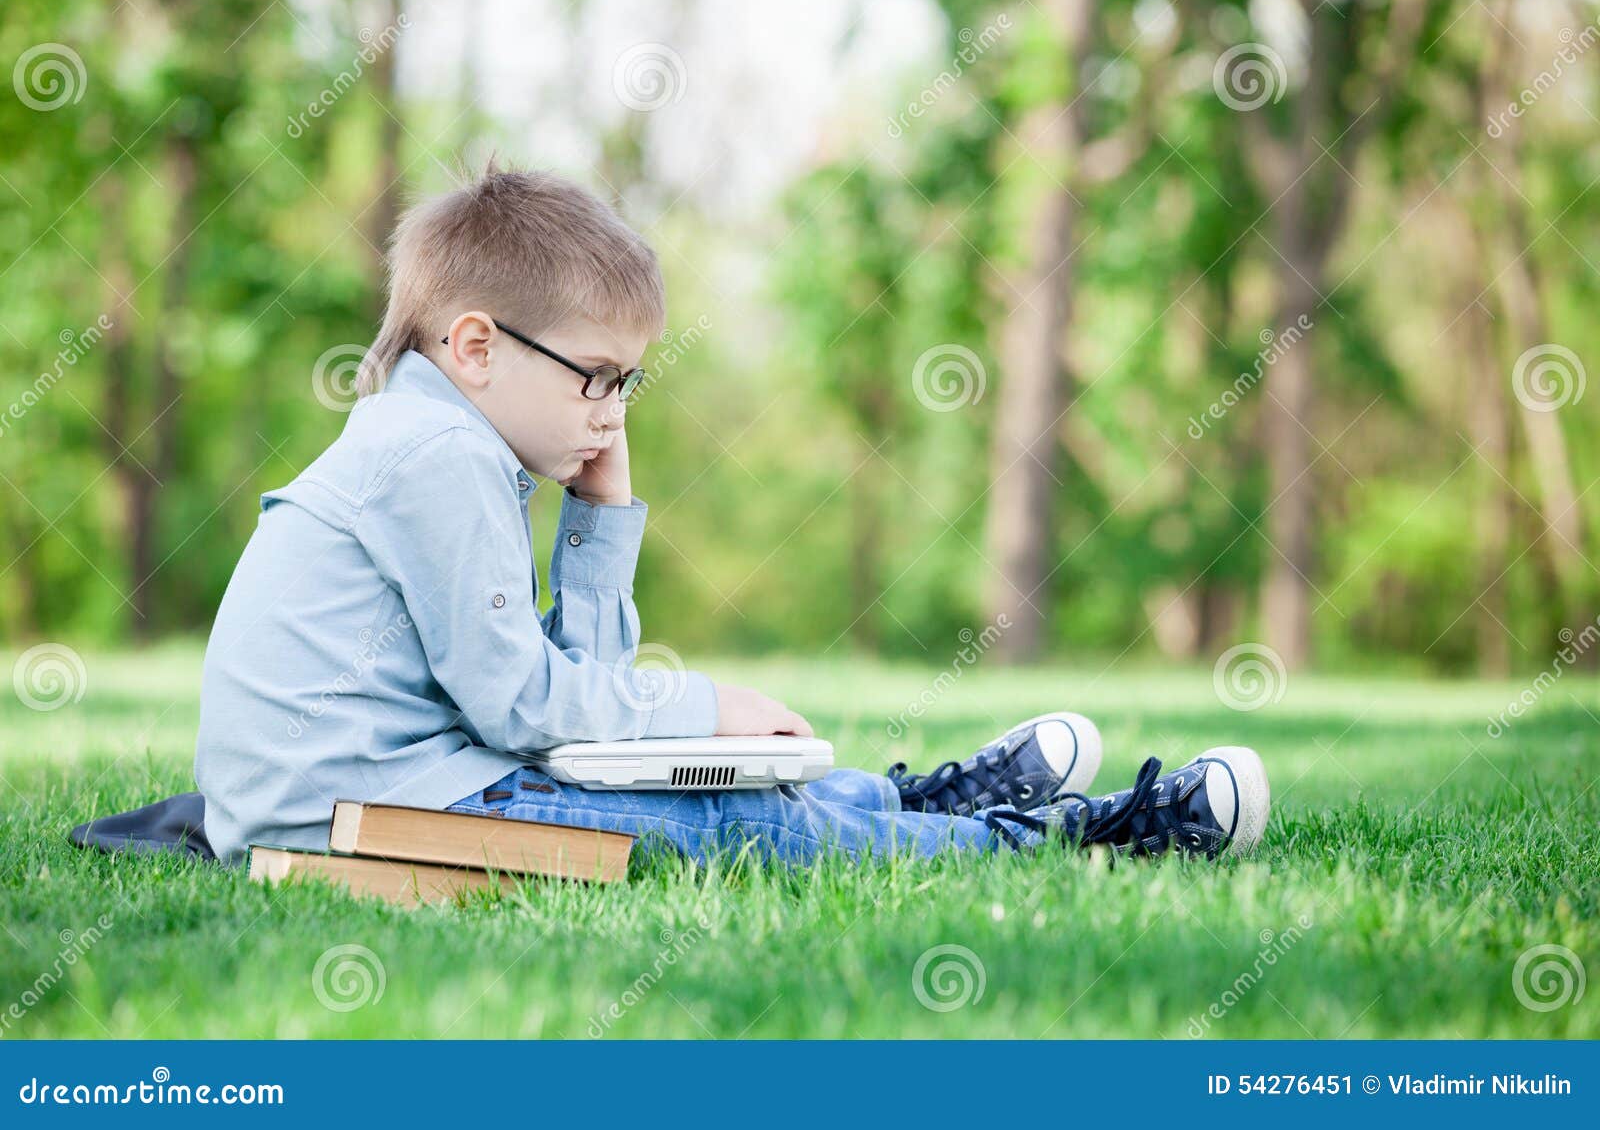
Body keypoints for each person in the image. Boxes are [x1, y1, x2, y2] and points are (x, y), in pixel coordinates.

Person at [193, 162, 1270, 869]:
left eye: (628, 382)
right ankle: (1077, 838)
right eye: (598, 375)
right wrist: (705, 704)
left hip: (389, 782)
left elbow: (567, 709)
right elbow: (533, 710)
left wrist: (598, 522)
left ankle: (914, 805)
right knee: (734, 821)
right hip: (351, 819)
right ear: (475, 347)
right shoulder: (433, 456)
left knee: (722, 799)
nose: (611, 412)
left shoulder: (440, 441)